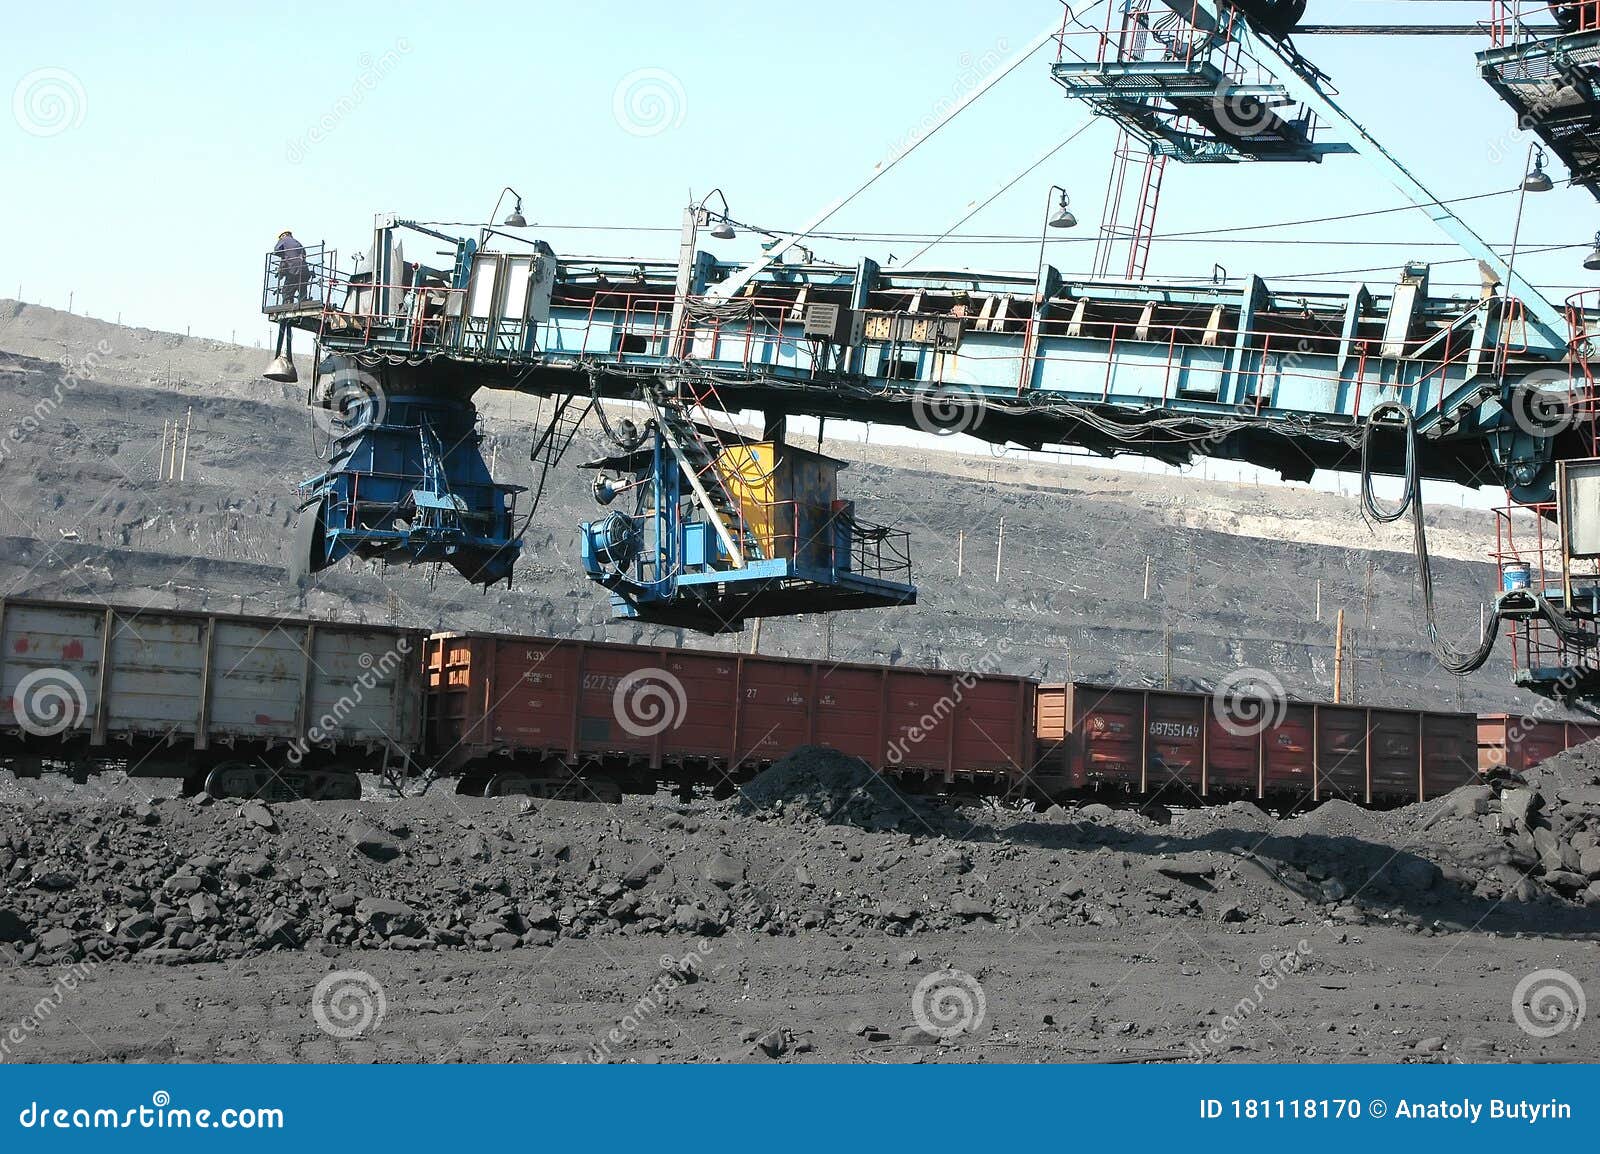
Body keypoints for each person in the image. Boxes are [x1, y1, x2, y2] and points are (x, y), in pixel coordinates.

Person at [274, 229, 310, 305]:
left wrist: (281, 272)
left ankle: (287, 305)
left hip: (293, 272)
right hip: (305, 271)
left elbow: (276, 250)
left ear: (283, 235)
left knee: (287, 291)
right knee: (302, 289)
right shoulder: (298, 243)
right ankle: (304, 302)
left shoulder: (284, 240)